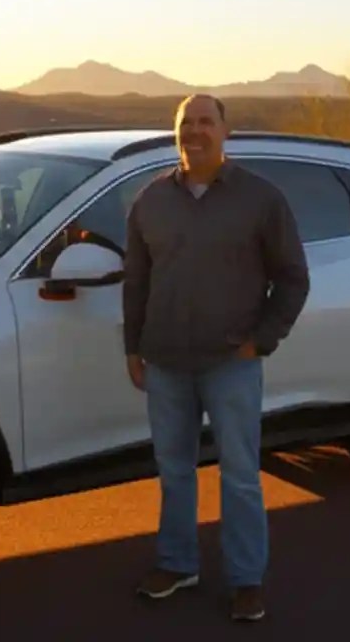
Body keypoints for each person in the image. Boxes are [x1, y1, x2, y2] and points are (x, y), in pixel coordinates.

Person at [122, 94, 310, 622]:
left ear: (226, 132)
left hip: (231, 362)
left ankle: (247, 580)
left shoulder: (260, 200)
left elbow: (293, 278)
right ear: (175, 132)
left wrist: (262, 339)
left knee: (241, 474)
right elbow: (136, 281)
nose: (196, 132)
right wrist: (132, 347)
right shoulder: (150, 202)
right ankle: (177, 563)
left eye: (207, 122)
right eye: (187, 124)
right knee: (174, 470)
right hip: (165, 362)